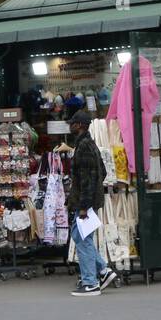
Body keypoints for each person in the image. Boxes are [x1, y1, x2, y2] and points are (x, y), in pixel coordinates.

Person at [65, 110, 115, 296]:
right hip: (88, 200)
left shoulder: (84, 146)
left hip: (84, 202)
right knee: (80, 237)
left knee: (83, 240)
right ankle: (103, 270)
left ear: (79, 125)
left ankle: (90, 282)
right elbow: (102, 171)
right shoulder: (89, 144)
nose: (70, 125)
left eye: (73, 123)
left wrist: (85, 205)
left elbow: (87, 178)